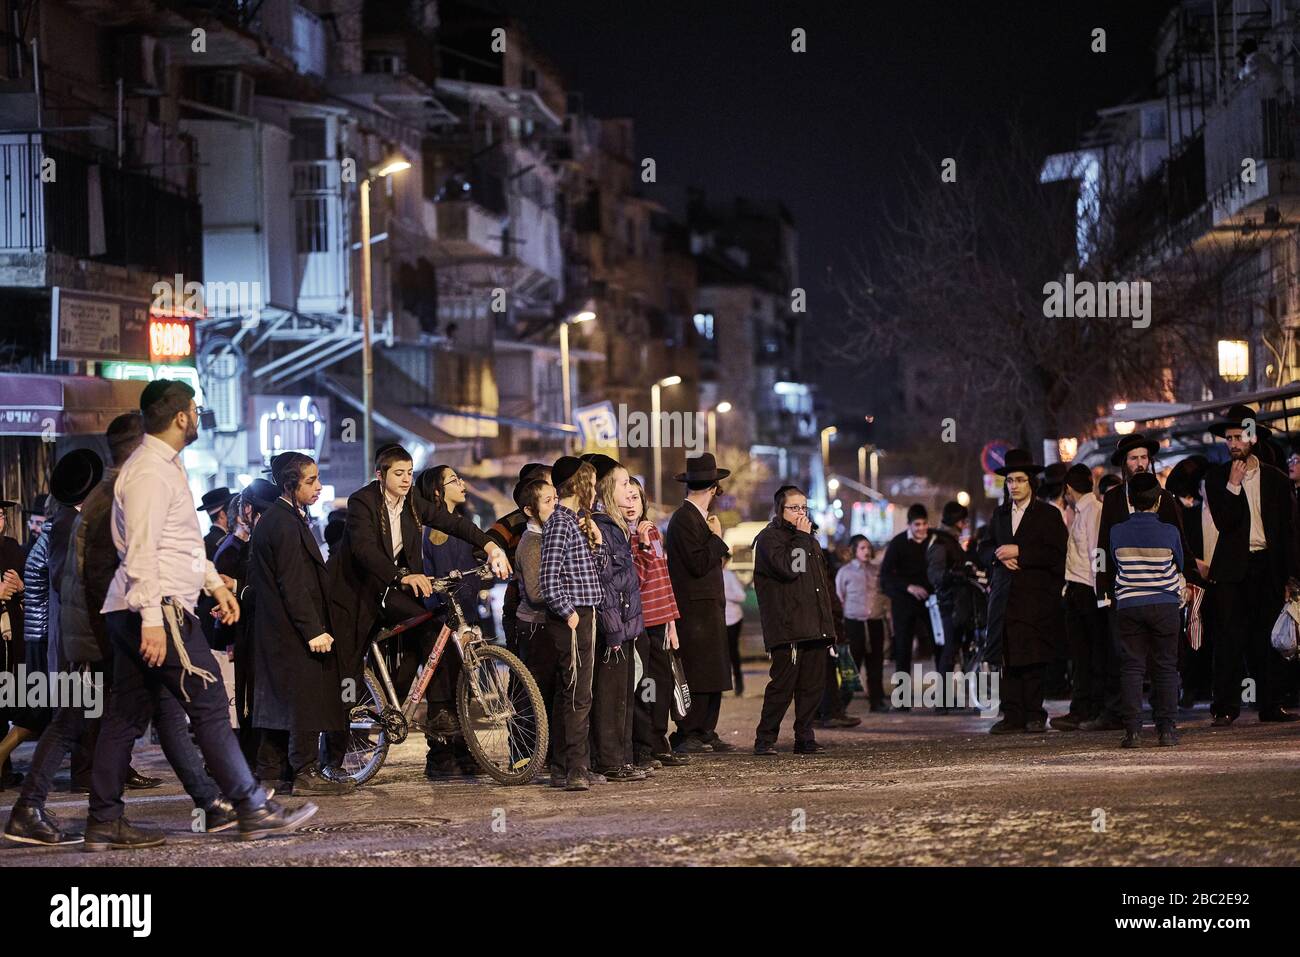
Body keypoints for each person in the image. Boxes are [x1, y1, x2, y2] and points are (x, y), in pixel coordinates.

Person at [87, 379, 317, 850]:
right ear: (179, 417)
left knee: (126, 715)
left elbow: (182, 545)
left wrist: (213, 585)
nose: (197, 415)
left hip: (148, 605)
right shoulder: (150, 471)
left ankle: (103, 820)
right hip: (158, 607)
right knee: (210, 704)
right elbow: (142, 550)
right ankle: (251, 807)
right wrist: (152, 618)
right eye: (193, 408)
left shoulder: (163, 467)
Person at [324, 444, 511, 778]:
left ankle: (438, 715)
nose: (406, 479)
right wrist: (403, 575)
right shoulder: (362, 502)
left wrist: (490, 545)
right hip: (356, 595)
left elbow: (453, 524)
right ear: (380, 475)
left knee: (432, 625)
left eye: (410, 473)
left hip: (391, 590)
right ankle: (331, 761)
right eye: (398, 473)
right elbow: (365, 550)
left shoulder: (412, 503)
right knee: (348, 672)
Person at [249, 452, 352, 795]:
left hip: (280, 631)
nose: (319, 486)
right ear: (290, 485)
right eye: (310, 481)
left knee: (281, 703)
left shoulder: (283, 518)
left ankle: (271, 774)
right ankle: (305, 772)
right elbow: (292, 583)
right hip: (291, 631)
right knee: (305, 700)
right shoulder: (283, 522)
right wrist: (313, 630)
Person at [1084, 432, 1201, 732]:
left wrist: (1189, 580)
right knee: (1125, 659)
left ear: (1150, 462)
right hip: (1124, 593)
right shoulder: (1112, 498)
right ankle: (1122, 716)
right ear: (1124, 463)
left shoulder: (1163, 497)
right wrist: (1103, 589)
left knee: (1161, 661)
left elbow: (1180, 541)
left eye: (1144, 458)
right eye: (1134, 458)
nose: (1139, 463)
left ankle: (1163, 721)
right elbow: (1102, 547)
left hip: (1162, 592)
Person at [1204, 404, 1300, 725]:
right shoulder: (1217, 477)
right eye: (1228, 438)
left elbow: (1287, 531)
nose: (1233, 443)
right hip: (1232, 570)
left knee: (1267, 638)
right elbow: (1225, 522)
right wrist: (1232, 486)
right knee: (1229, 638)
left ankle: (1270, 704)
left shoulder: (1275, 478)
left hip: (1266, 567)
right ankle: (1226, 706)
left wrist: (1292, 575)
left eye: (1239, 437)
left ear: (1253, 438)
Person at [978, 448, 1067, 734]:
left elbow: (1056, 553)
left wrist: (1021, 552)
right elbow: (984, 548)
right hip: (1005, 597)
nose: (1014, 485)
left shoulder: (1047, 514)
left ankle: (1034, 714)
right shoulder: (1000, 514)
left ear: (1031, 482)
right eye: (1010, 481)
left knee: (1033, 658)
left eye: (1019, 480)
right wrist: (998, 554)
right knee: (1007, 658)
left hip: (1035, 597)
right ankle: (1012, 714)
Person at [538, 456, 607, 791]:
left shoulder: (575, 522)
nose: (594, 491)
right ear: (578, 484)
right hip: (573, 616)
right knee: (576, 692)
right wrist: (569, 613)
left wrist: (596, 542)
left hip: (584, 611)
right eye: (591, 483)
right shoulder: (559, 523)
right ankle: (574, 768)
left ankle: (570, 765)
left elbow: (589, 571)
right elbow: (548, 580)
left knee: (579, 692)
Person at [752, 485, 837, 755]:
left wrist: (828, 627)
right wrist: (802, 537)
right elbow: (791, 568)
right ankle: (765, 739)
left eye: (804, 507)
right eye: (794, 508)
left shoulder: (809, 539)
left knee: (812, 686)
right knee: (782, 686)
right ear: (780, 509)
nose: (801, 512)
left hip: (813, 626)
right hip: (788, 628)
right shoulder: (769, 539)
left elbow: (820, 584)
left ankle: (805, 737)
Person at [418, 463, 489, 778]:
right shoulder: (437, 531)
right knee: (445, 691)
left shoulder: (460, 524)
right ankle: (442, 757)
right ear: (437, 491)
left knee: (464, 687)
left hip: (462, 620)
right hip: (443, 622)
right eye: (453, 480)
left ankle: (461, 753)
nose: (462, 484)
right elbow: (446, 583)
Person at [664, 452, 734, 754]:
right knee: (697, 671)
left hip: (709, 608)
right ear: (714, 488)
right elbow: (696, 563)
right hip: (694, 611)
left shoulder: (698, 518)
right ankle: (690, 730)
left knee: (714, 670)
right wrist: (717, 538)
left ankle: (707, 730)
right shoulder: (684, 518)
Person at [1110, 472, 1186, 748]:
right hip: (1165, 604)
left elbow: (1116, 566)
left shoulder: (1117, 531)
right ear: (1157, 502)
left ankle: (1132, 732)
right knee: (1166, 667)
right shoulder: (1170, 531)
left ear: (1130, 501)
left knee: (1132, 668)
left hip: (1129, 604)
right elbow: (1180, 564)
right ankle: (1166, 730)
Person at [587, 455, 647, 782]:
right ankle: (610, 760)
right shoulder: (601, 526)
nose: (630, 490)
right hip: (613, 629)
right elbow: (604, 583)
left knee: (624, 696)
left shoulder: (618, 528)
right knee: (610, 699)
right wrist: (614, 631)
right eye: (624, 484)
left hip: (625, 626)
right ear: (608, 489)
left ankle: (623, 759)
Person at [624, 477, 689, 769]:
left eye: (635, 499)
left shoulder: (652, 532)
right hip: (640, 621)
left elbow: (663, 579)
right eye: (625, 499)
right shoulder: (624, 537)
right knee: (643, 686)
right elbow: (633, 582)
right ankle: (643, 747)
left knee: (661, 685)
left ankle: (659, 741)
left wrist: (672, 618)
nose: (630, 505)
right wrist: (640, 544)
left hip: (660, 620)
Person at [217, 480, 278, 767]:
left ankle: (254, 762)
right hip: (248, 632)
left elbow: (266, 589)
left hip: (254, 633)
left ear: (248, 509)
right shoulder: (239, 544)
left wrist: (236, 588)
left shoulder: (260, 538)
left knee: (249, 702)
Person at [513, 476, 563, 781]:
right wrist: (568, 593)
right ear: (530, 510)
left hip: (547, 625)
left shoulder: (549, 536)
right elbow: (535, 591)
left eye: (555, 499)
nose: (554, 505)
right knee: (536, 696)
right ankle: (528, 759)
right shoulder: (532, 542)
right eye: (547, 501)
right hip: (535, 628)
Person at [1053, 463, 1106, 731]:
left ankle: (1087, 709)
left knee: (1088, 654)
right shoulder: (1086, 510)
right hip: (1081, 589)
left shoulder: (1091, 512)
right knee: (1083, 653)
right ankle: (1084, 707)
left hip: (1087, 590)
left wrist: (1099, 594)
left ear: (1068, 489)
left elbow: (1095, 555)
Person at [488, 462, 551, 655]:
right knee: (523, 670)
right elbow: (484, 548)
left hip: (544, 610)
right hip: (521, 606)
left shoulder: (557, 521)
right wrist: (515, 567)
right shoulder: (513, 522)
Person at [881, 503, 932, 698]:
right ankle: (902, 698)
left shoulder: (934, 539)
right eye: (917, 524)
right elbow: (886, 576)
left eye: (924, 524)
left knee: (939, 646)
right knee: (903, 649)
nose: (921, 529)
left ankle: (945, 696)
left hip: (930, 601)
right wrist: (909, 587)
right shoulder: (898, 543)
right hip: (904, 603)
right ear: (909, 524)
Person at [837, 535, 890, 712]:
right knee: (852, 664)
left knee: (875, 662)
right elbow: (840, 597)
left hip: (875, 622)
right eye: (862, 548)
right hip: (854, 623)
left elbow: (884, 596)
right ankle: (841, 702)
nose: (866, 551)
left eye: (868, 547)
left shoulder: (877, 571)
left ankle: (877, 700)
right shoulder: (845, 572)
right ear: (854, 551)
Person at [927, 501, 971, 704]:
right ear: (958, 522)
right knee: (949, 650)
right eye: (963, 521)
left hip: (957, 603)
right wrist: (956, 575)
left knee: (953, 649)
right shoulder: (941, 543)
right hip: (949, 604)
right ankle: (942, 700)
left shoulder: (948, 541)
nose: (965, 525)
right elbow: (936, 575)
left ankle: (949, 698)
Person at [0, 493, 27, 789]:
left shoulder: (12, 548)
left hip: (13, 639)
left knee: (16, 702)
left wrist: (21, 587)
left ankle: (4, 768)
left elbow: (30, 588)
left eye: (1, 515)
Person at [722, 557, 746, 696]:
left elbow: (741, 596)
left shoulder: (729, 575)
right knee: (720, 654)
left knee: (732, 652)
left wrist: (724, 594)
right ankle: (723, 686)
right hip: (719, 619)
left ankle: (739, 685)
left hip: (733, 619)